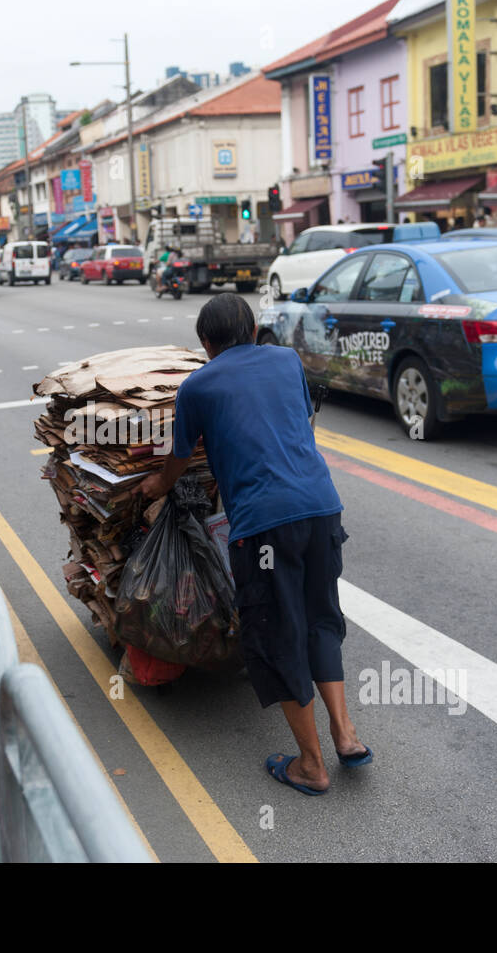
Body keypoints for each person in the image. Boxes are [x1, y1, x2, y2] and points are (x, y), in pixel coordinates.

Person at [138, 293, 370, 796]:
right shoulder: (286, 360)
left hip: (265, 526)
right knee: (320, 619)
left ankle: (311, 765)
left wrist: (157, 487)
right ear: (253, 328)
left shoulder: (198, 385)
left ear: (205, 343)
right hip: (322, 507)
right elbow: (301, 423)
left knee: (276, 633)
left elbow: (179, 456)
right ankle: (345, 735)